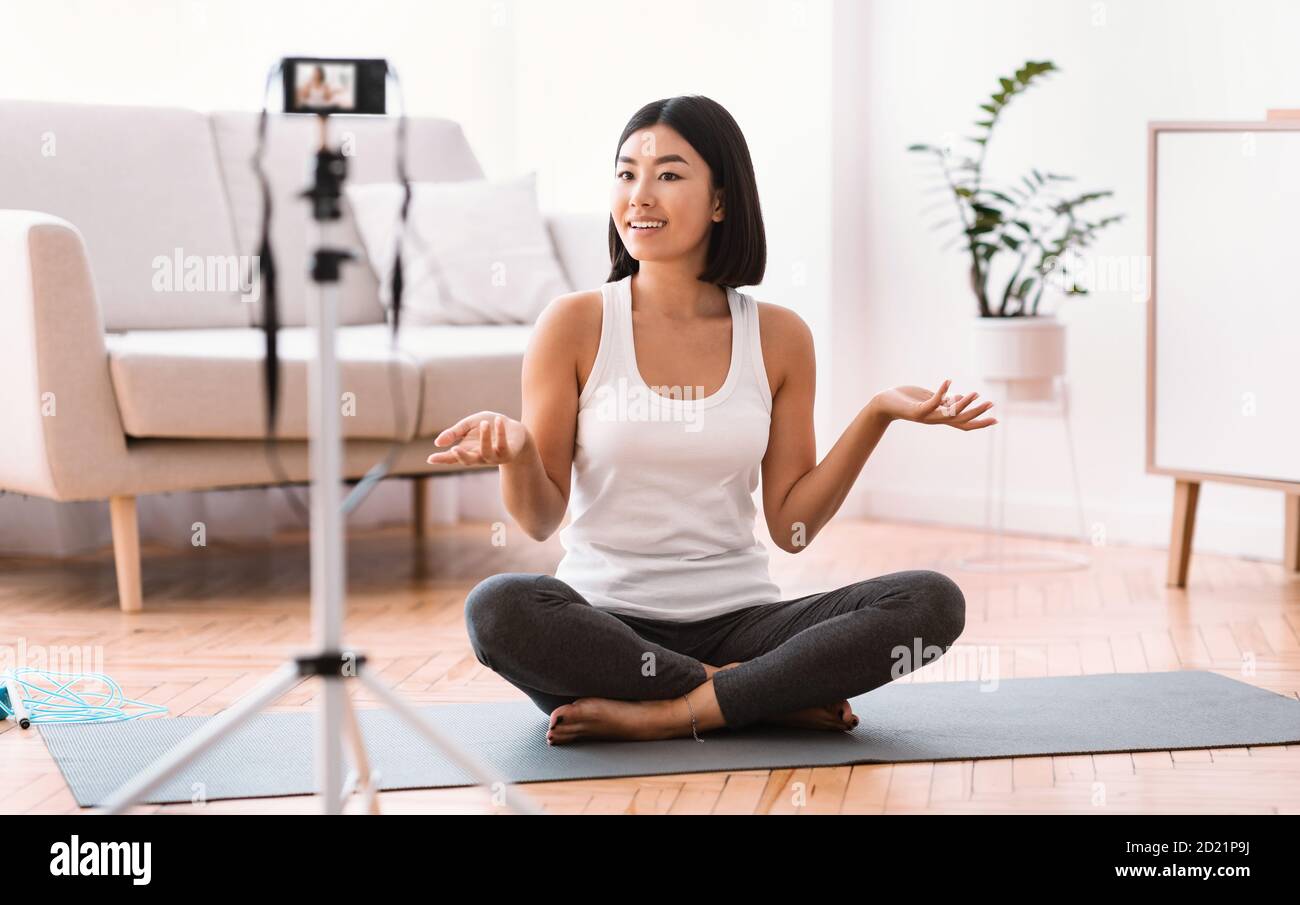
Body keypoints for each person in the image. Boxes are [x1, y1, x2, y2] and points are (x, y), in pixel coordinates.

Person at [427, 95, 996, 745]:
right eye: (626, 173)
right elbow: (537, 518)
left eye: (668, 174)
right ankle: (754, 693)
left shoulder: (779, 335)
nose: (640, 194)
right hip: (604, 630)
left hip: (742, 619)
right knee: (498, 609)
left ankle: (675, 711)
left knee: (931, 601)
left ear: (721, 201)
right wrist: (520, 451)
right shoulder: (574, 324)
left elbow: (793, 528)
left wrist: (876, 415)